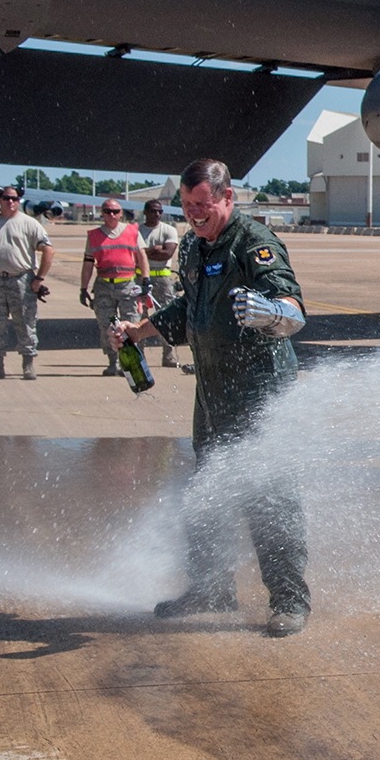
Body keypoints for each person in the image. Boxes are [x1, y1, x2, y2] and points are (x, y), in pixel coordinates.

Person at [111, 159, 310, 637]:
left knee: (270, 498)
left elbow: (295, 309)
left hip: (260, 390)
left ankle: (289, 600)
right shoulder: (193, 246)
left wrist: (269, 311)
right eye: (187, 205)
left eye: (203, 205)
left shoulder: (255, 243)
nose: (195, 213)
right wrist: (139, 331)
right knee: (205, 496)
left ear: (227, 199)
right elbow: (189, 307)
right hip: (214, 393)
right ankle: (210, 588)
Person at [0, 185, 55, 380]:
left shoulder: (29, 224)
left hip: (21, 280)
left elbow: (48, 250)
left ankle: (28, 365)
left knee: (25, 323)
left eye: (15, 199)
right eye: (6, 198)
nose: (11, 202)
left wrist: (39, 279)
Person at [79, 199, 148, 376]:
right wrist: (83, 288)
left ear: (121, 213)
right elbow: (88, 262)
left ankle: (135, 363)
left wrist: (146, 280)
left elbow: (141, 256)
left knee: (132, 325)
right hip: (103, 286)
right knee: (107, 326)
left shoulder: (133, 231)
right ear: (102, 212)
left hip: (127, 285)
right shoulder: (94, 235)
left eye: (116, 211)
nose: (112, 214)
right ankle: (113, 363)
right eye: (108, 211)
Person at [140, 198, 184, 369]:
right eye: (152, 211)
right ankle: (140, 356)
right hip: (141, 278)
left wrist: (145, 252)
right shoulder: (136, 231)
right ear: (145, 212)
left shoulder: (169, 230)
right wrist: (155, 249)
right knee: (140, 318)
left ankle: (168, 355)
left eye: (159, 211)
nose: (156, 214)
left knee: (167, 317)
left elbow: (166, 253)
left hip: (164, 280)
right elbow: (136, 255)